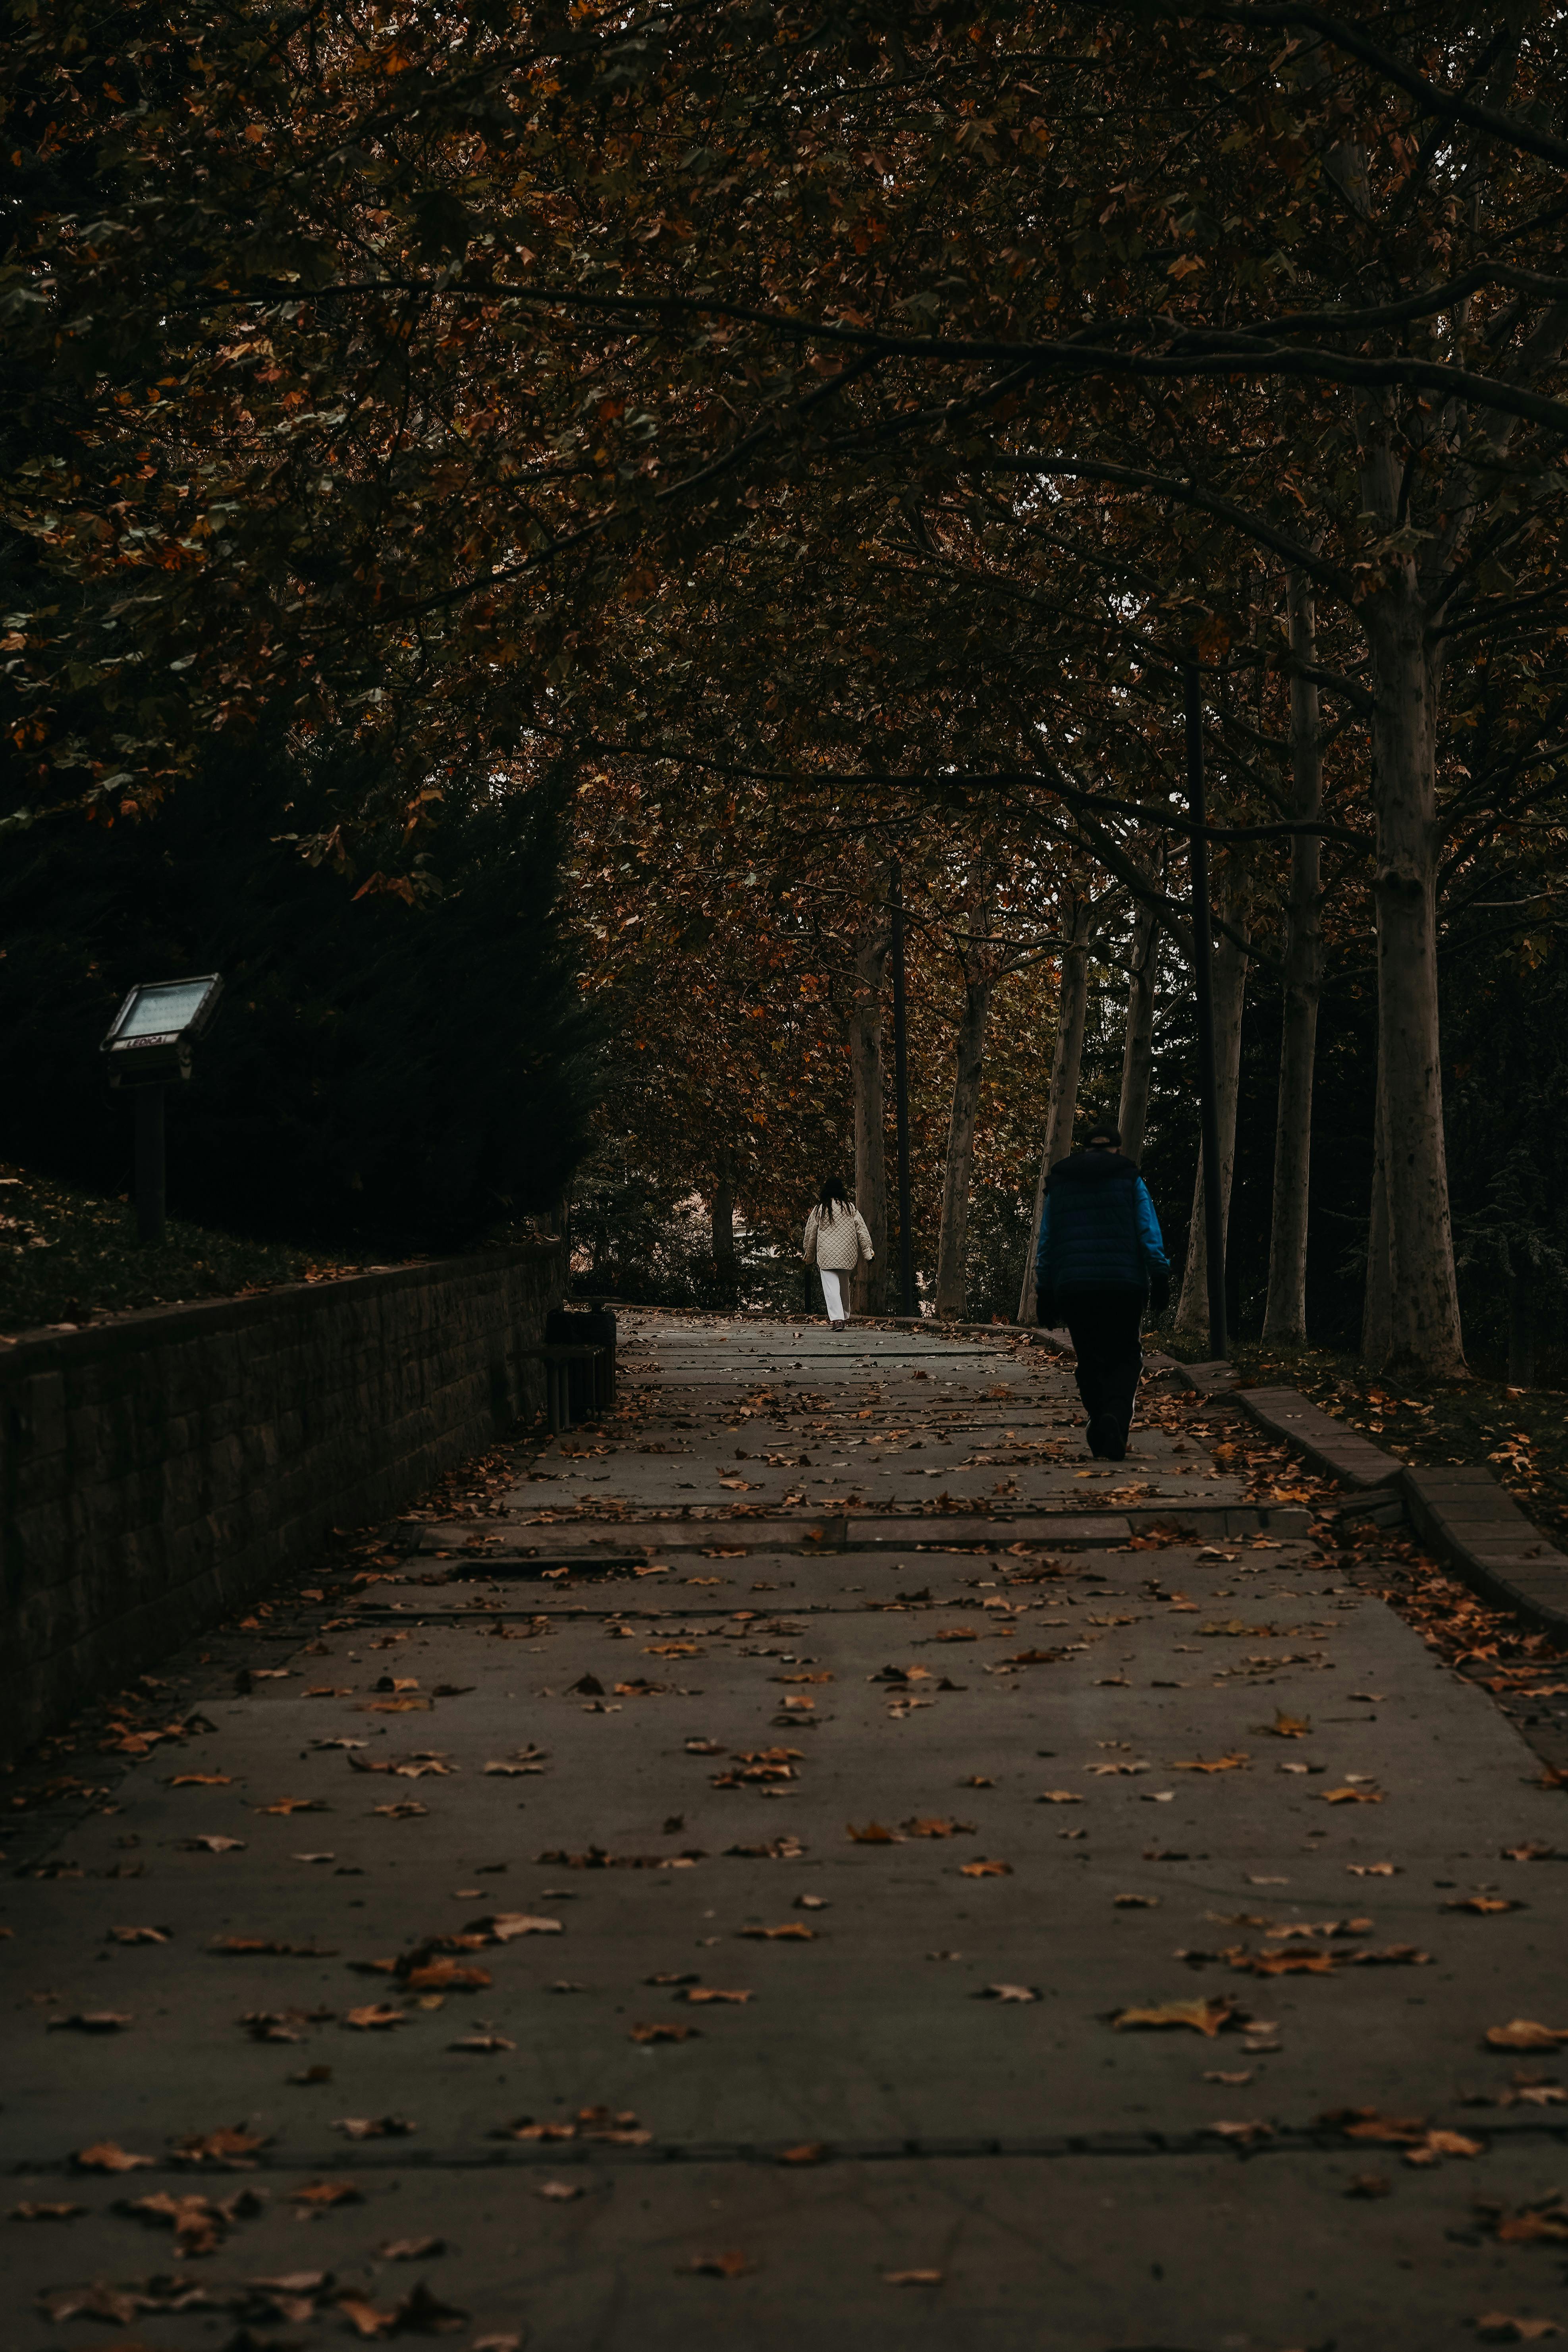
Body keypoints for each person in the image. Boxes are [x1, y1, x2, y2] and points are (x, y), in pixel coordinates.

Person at [1035, 1118, 1169, 1460]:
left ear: (1085, 1147)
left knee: (1090, 1358)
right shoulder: (1130, 1178)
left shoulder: (1060, 1182)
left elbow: (1047, 1241)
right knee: (1125, 1355)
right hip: (1124, 1285)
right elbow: (1147, 1230)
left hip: (1074, 1286)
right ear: (1117, 1148)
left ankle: (1100, 1417)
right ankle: (1113, 1417)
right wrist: (1160, 1275)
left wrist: (1044, 1290)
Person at [802, 1175, 874, 1329]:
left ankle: (838, 1320)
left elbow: (811, 1234)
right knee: (843, 1286)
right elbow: (862, 1231)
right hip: (847, 1254)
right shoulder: (850, 1208)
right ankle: (844, 1316)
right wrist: (868, 1253)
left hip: (827, 1255)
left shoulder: (820, 1209)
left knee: (831, 1287)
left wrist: (809, 1257)